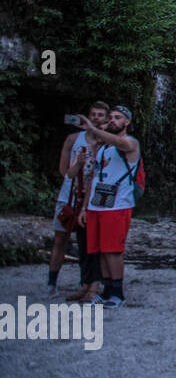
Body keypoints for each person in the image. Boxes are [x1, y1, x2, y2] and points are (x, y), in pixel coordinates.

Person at [76, 106, 139, 308]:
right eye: (110, 117)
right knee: (101, 250)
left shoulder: (130, 143)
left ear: (126, 122)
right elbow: (94, 178)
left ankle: (117, 293)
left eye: (118, 118)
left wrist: (93, 130)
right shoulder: (103, 148)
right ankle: (106, 290)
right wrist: (85, 208)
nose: (112, 120)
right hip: (97, 206)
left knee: (113, 251)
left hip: (118, 206)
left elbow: (120, 142)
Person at [47, 101, 108, 296]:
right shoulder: (73, 139)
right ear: (87, 117)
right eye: (93, 114)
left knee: (89, 242)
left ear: (106, 120)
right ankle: (51, 282)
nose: (96, 118)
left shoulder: (107, 142)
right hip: (68, 196)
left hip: (91, 200)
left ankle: (88, 282)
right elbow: (63, 169)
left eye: (100, 115)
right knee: (60, 239)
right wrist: (74, 175)